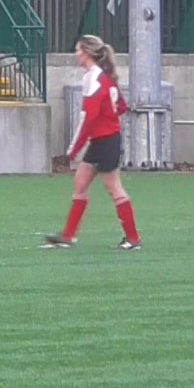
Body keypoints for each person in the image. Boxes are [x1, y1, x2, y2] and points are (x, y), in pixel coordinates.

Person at [44, 34, 142, 250]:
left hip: (105, 141)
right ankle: (68, 236)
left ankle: (133, 239)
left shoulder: (95, 78)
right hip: (102, 140)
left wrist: (75, 148)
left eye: (79, 50)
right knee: (81, 182)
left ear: (88, 52)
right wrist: (110, 121)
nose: (77, 54)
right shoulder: (103, 77)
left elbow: (89, 117)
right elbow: (121, 106)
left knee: (114, 188)